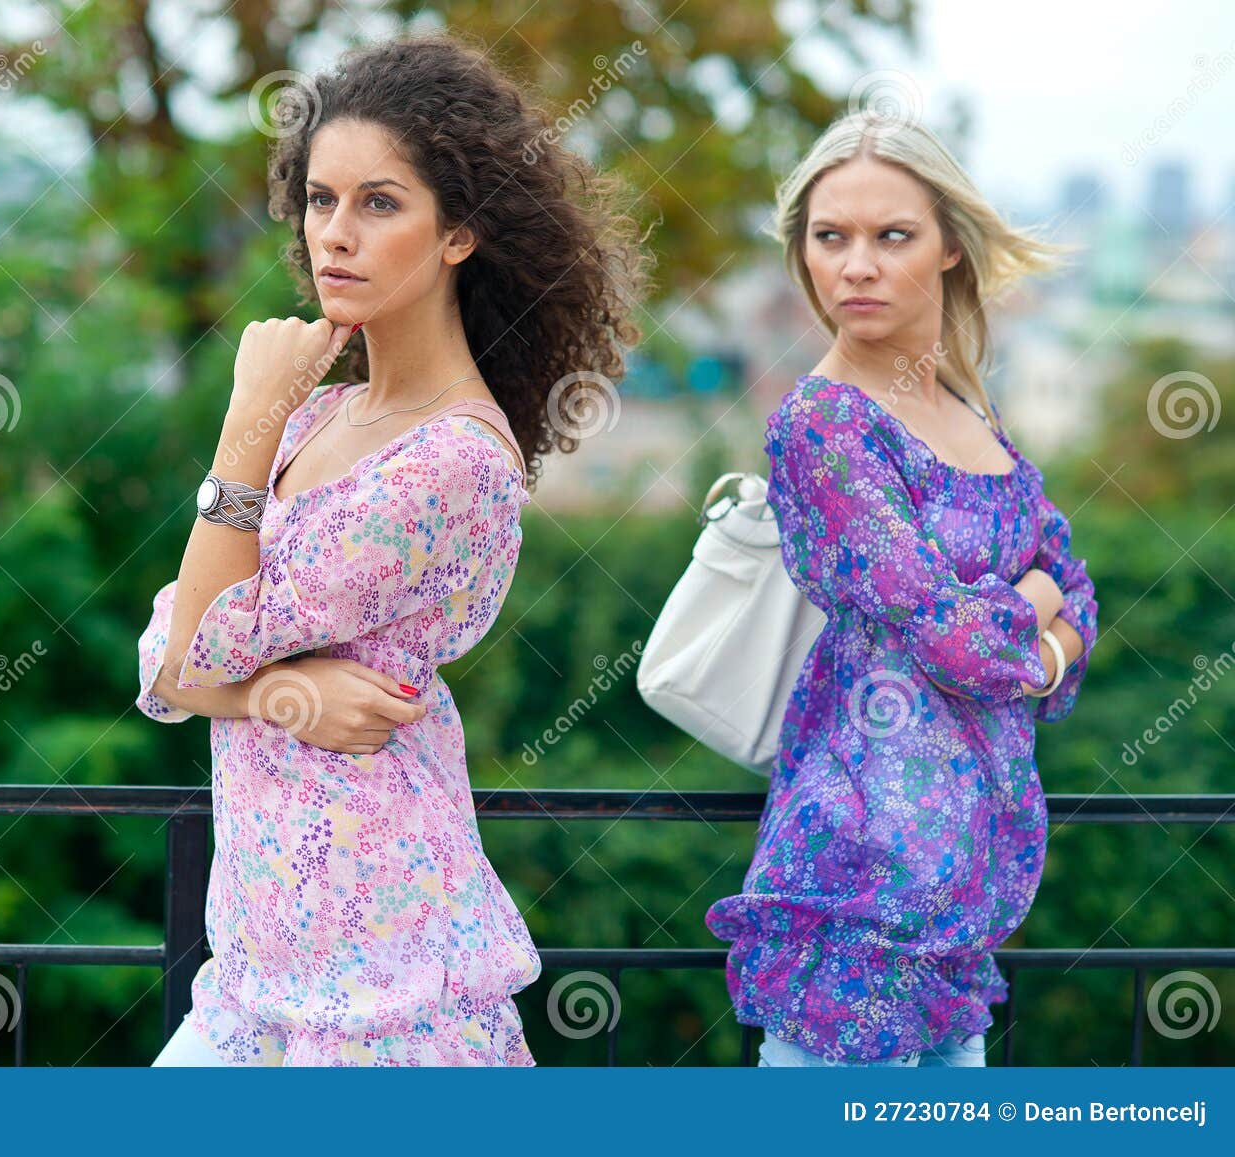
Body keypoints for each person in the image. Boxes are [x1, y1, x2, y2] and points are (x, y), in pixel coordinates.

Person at [135, 31, 649, 1066]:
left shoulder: (454, 462)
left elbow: (197, 640)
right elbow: (168, 657)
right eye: (321, 201)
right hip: (250, 971)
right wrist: (279, 694)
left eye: (379, 202)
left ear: (458, 230)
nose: (336, 233)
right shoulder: (314, 416)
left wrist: (243, 417)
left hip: (381, 983)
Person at [705, 109, 1099, 1067]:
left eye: (893, 236)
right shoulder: (825, 427)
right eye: (830, 237)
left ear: (951, 248)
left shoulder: (966, 406)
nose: (856, 265)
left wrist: (1041, 637)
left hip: (961, 896)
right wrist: (1037, 614)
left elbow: (1078, 581)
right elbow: (955, 637)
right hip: (856, 881)